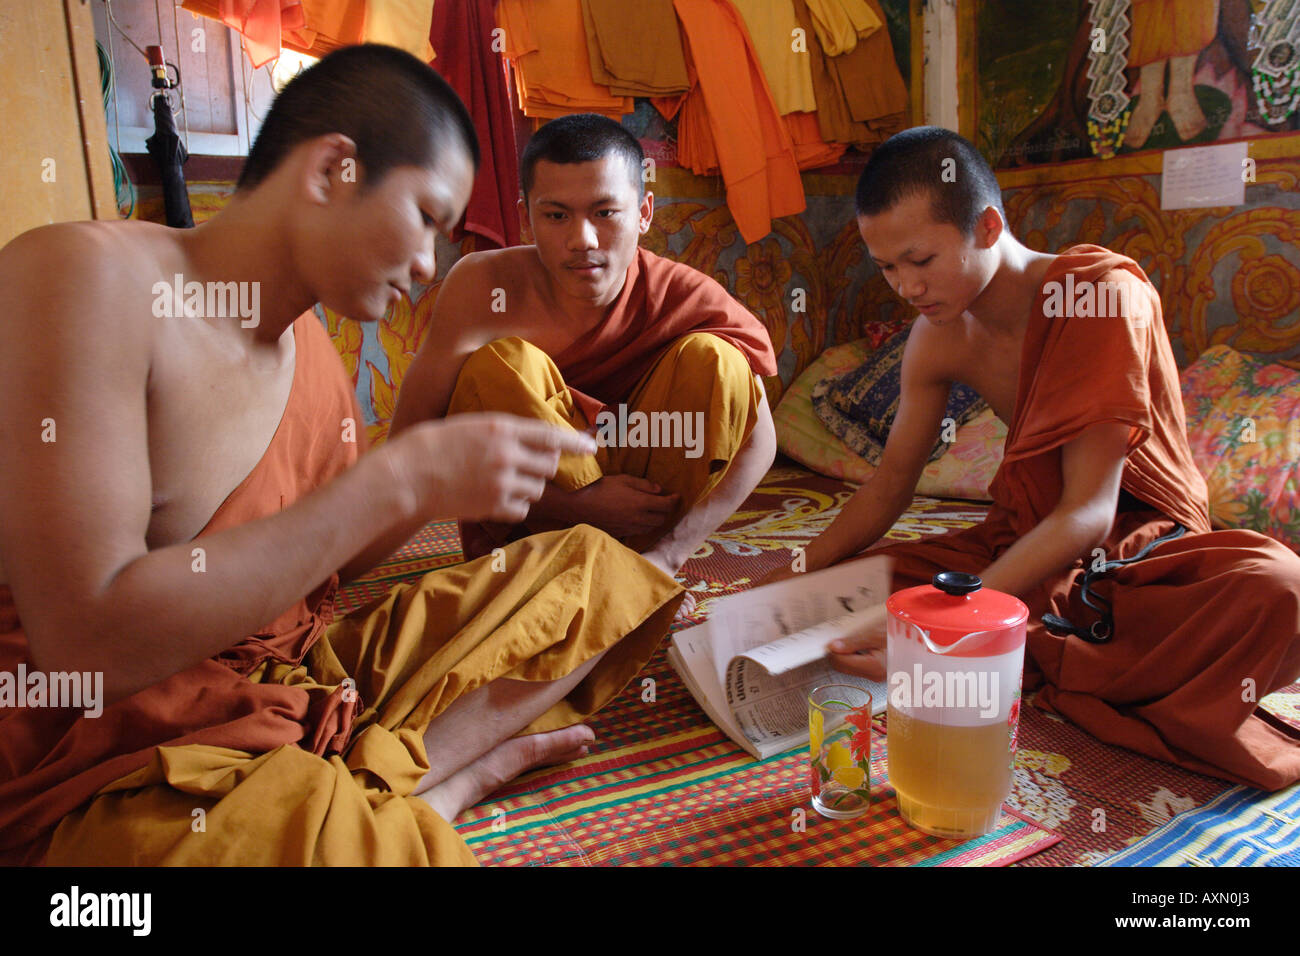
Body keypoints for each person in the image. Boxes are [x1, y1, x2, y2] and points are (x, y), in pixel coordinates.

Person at [0, 45, 683, 866]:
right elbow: (84, 643)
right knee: (337, 850)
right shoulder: (84, 278)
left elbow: (318, 573)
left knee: (596, 575)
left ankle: (359, 786)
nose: (431, 263)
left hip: (289, 678)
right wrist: (398, 479)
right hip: (117, 748)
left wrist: (428, 492)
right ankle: (423, 789)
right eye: (428, 216)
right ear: (334, 170)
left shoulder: (314, 347)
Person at [763, 126, 1300, 791]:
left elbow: (1087, 512)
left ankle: (991, 648)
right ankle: (1016, 646)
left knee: (1278, 587)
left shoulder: (1099, 294)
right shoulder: (936, 336)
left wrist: (948, 621)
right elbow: (889, 487)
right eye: (886, 268)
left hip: (1133, 550)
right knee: (854, 590)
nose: (905, 286)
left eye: (920, 259)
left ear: (986, 227)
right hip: (1024, 538)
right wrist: (793, 571)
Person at [391, 113, 779, 588]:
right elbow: (411, 446)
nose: (583, 241)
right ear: (526, 218)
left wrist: (671, 553)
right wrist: (576, 504)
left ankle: (634, 571)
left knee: (717, 360)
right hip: (529, 527)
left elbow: (763, 440)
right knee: (505, 364)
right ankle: (563, 570)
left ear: (644, 212)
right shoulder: (482, 287)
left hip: (645, 522)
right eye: (556, 215)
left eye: (605, 212)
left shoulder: (681, 295)